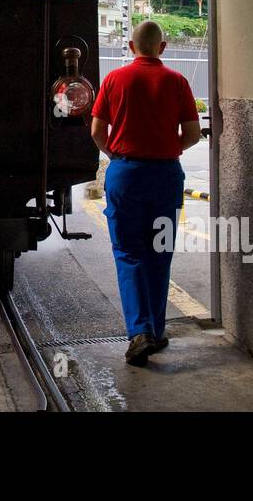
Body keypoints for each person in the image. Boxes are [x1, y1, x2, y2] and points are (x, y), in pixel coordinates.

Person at [89, 20, 202, 367]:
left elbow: (97, 131)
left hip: (126, 173)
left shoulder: (114, 79)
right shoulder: (177, 81)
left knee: (129, 253)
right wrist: (168, 150)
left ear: (130, 46)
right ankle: (154, 329)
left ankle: (139, 333)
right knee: (159, 252)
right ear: (162, 48)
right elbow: (194, 134)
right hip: (166, 174)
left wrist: (116, 156)